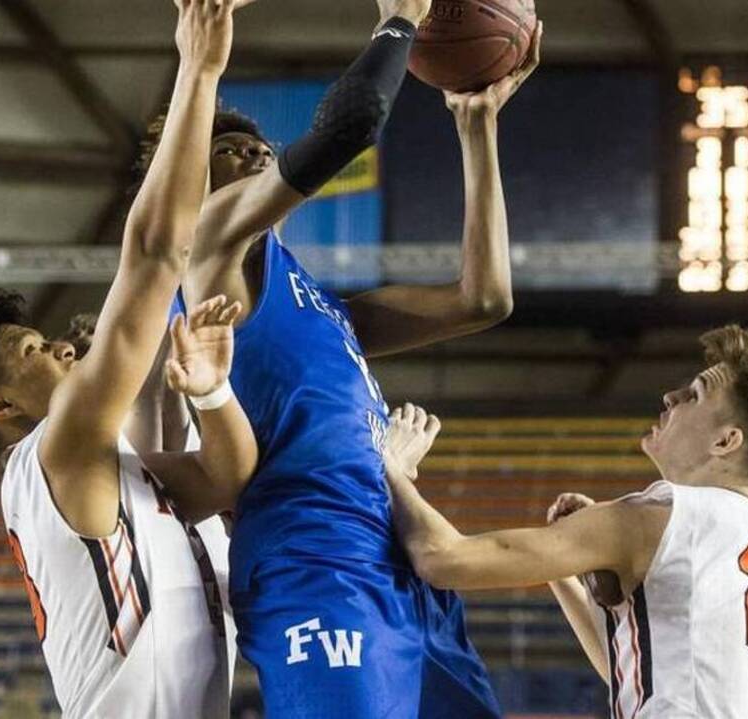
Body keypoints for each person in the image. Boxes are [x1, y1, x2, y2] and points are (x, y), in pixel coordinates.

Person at [129, 0, 544, 714]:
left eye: (260, 147)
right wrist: (401, 19)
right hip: (313, 563)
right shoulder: (205, 243)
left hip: (398, 557)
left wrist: (478, 131)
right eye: (229, 149)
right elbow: (349, 125)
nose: (255, 153)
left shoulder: (318, 303)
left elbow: (484, 299)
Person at [0, 0, 260, 715]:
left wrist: (211, 393)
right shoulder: (53, 449)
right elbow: (154, 255)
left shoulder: (100, 465)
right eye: (34, 349)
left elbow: (224, 476)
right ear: (1, 406)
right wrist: (198, 69)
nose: (64, 346)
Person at [380, 325, 748, 719]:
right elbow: (630, 666)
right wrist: (562, 573)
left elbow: (443, 559)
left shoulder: (655, 519)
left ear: (726, 441)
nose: (670, 397)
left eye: (695, 394)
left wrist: (392, 468)